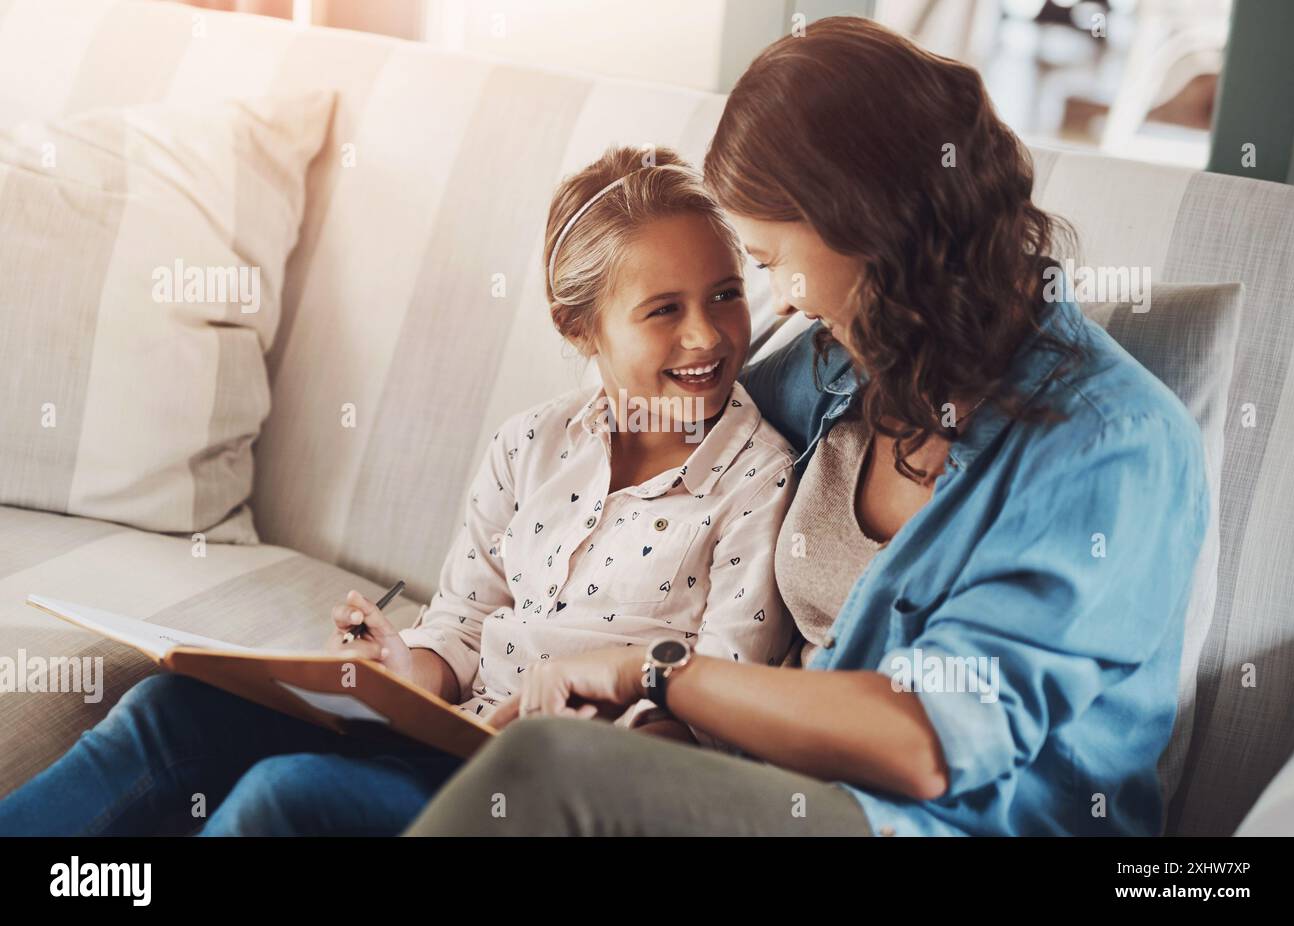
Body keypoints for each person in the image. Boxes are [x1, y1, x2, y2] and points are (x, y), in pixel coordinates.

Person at [401, 17, 1210, 837]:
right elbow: (675, 415)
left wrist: (647, 673)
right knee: (294, 792)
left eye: (767, 262)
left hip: (933, 823)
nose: (779, 301)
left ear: (869, 221)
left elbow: (930, 737)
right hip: (773, 795)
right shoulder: (847, 362)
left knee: (548, 770)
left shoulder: (1110, 444)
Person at [0, 145, 796, 836]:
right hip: (449, 735)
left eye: (726, 294)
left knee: (287, 796)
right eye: (665, 310)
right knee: (162, 710)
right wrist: (397, 666)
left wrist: (596, 725)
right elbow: (461, 626)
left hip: (555, 787)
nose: (708, 334)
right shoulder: (531, 443)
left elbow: (723, 711)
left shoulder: (757, 480)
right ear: (579, 327)